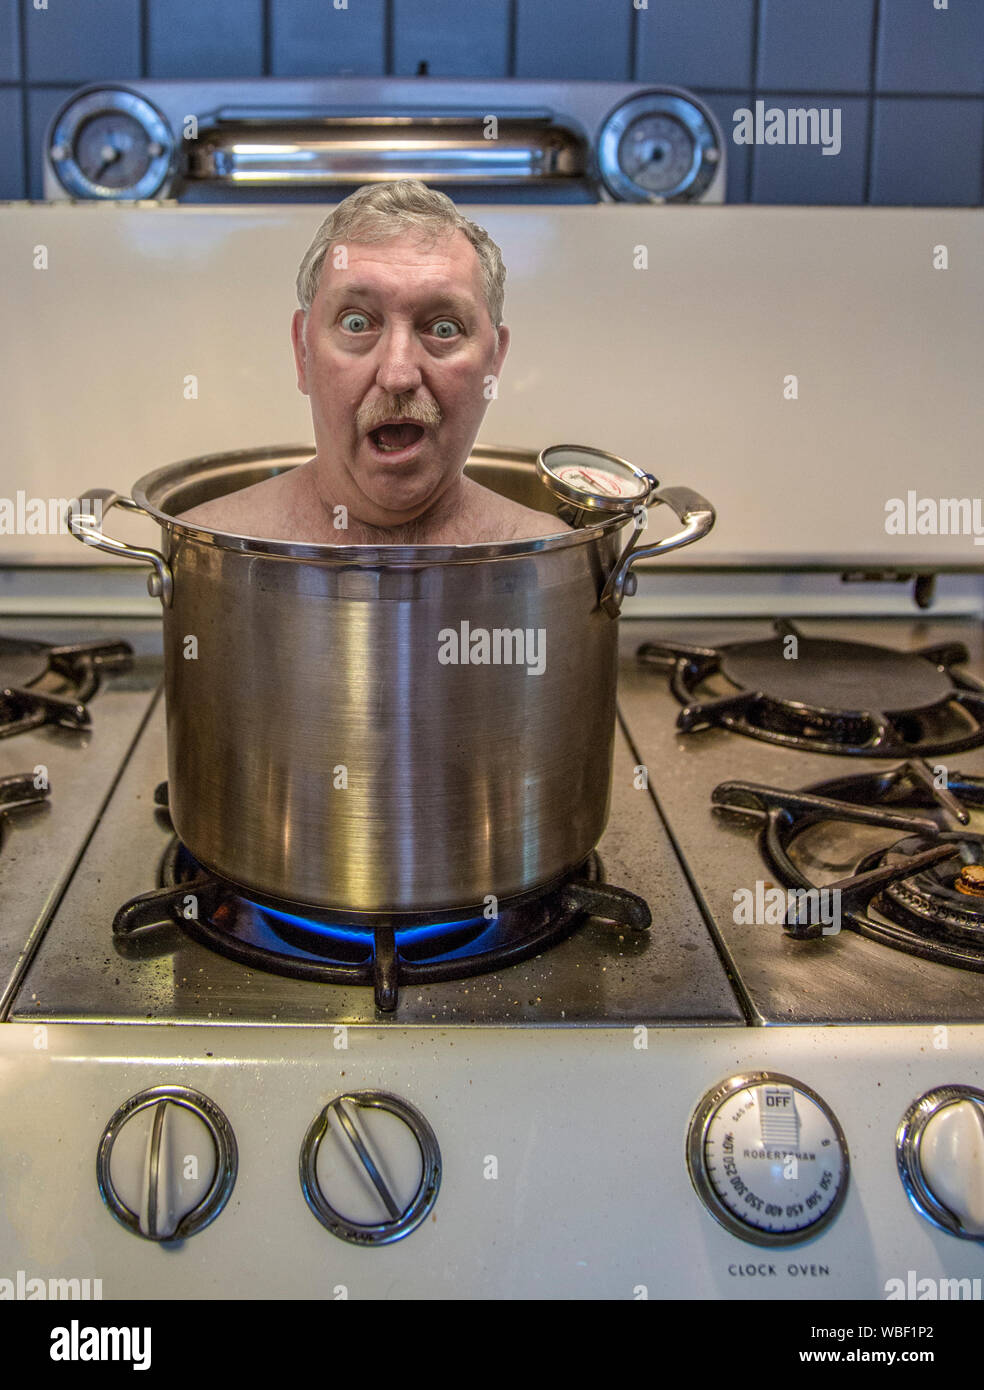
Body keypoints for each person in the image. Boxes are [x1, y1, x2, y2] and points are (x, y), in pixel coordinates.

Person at [178, 180, 571, 544]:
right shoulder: (207, 544)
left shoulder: (550, 558)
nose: (398, 375)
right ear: (303, 352)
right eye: (357, 323)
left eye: (444, 329)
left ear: (494, 363)